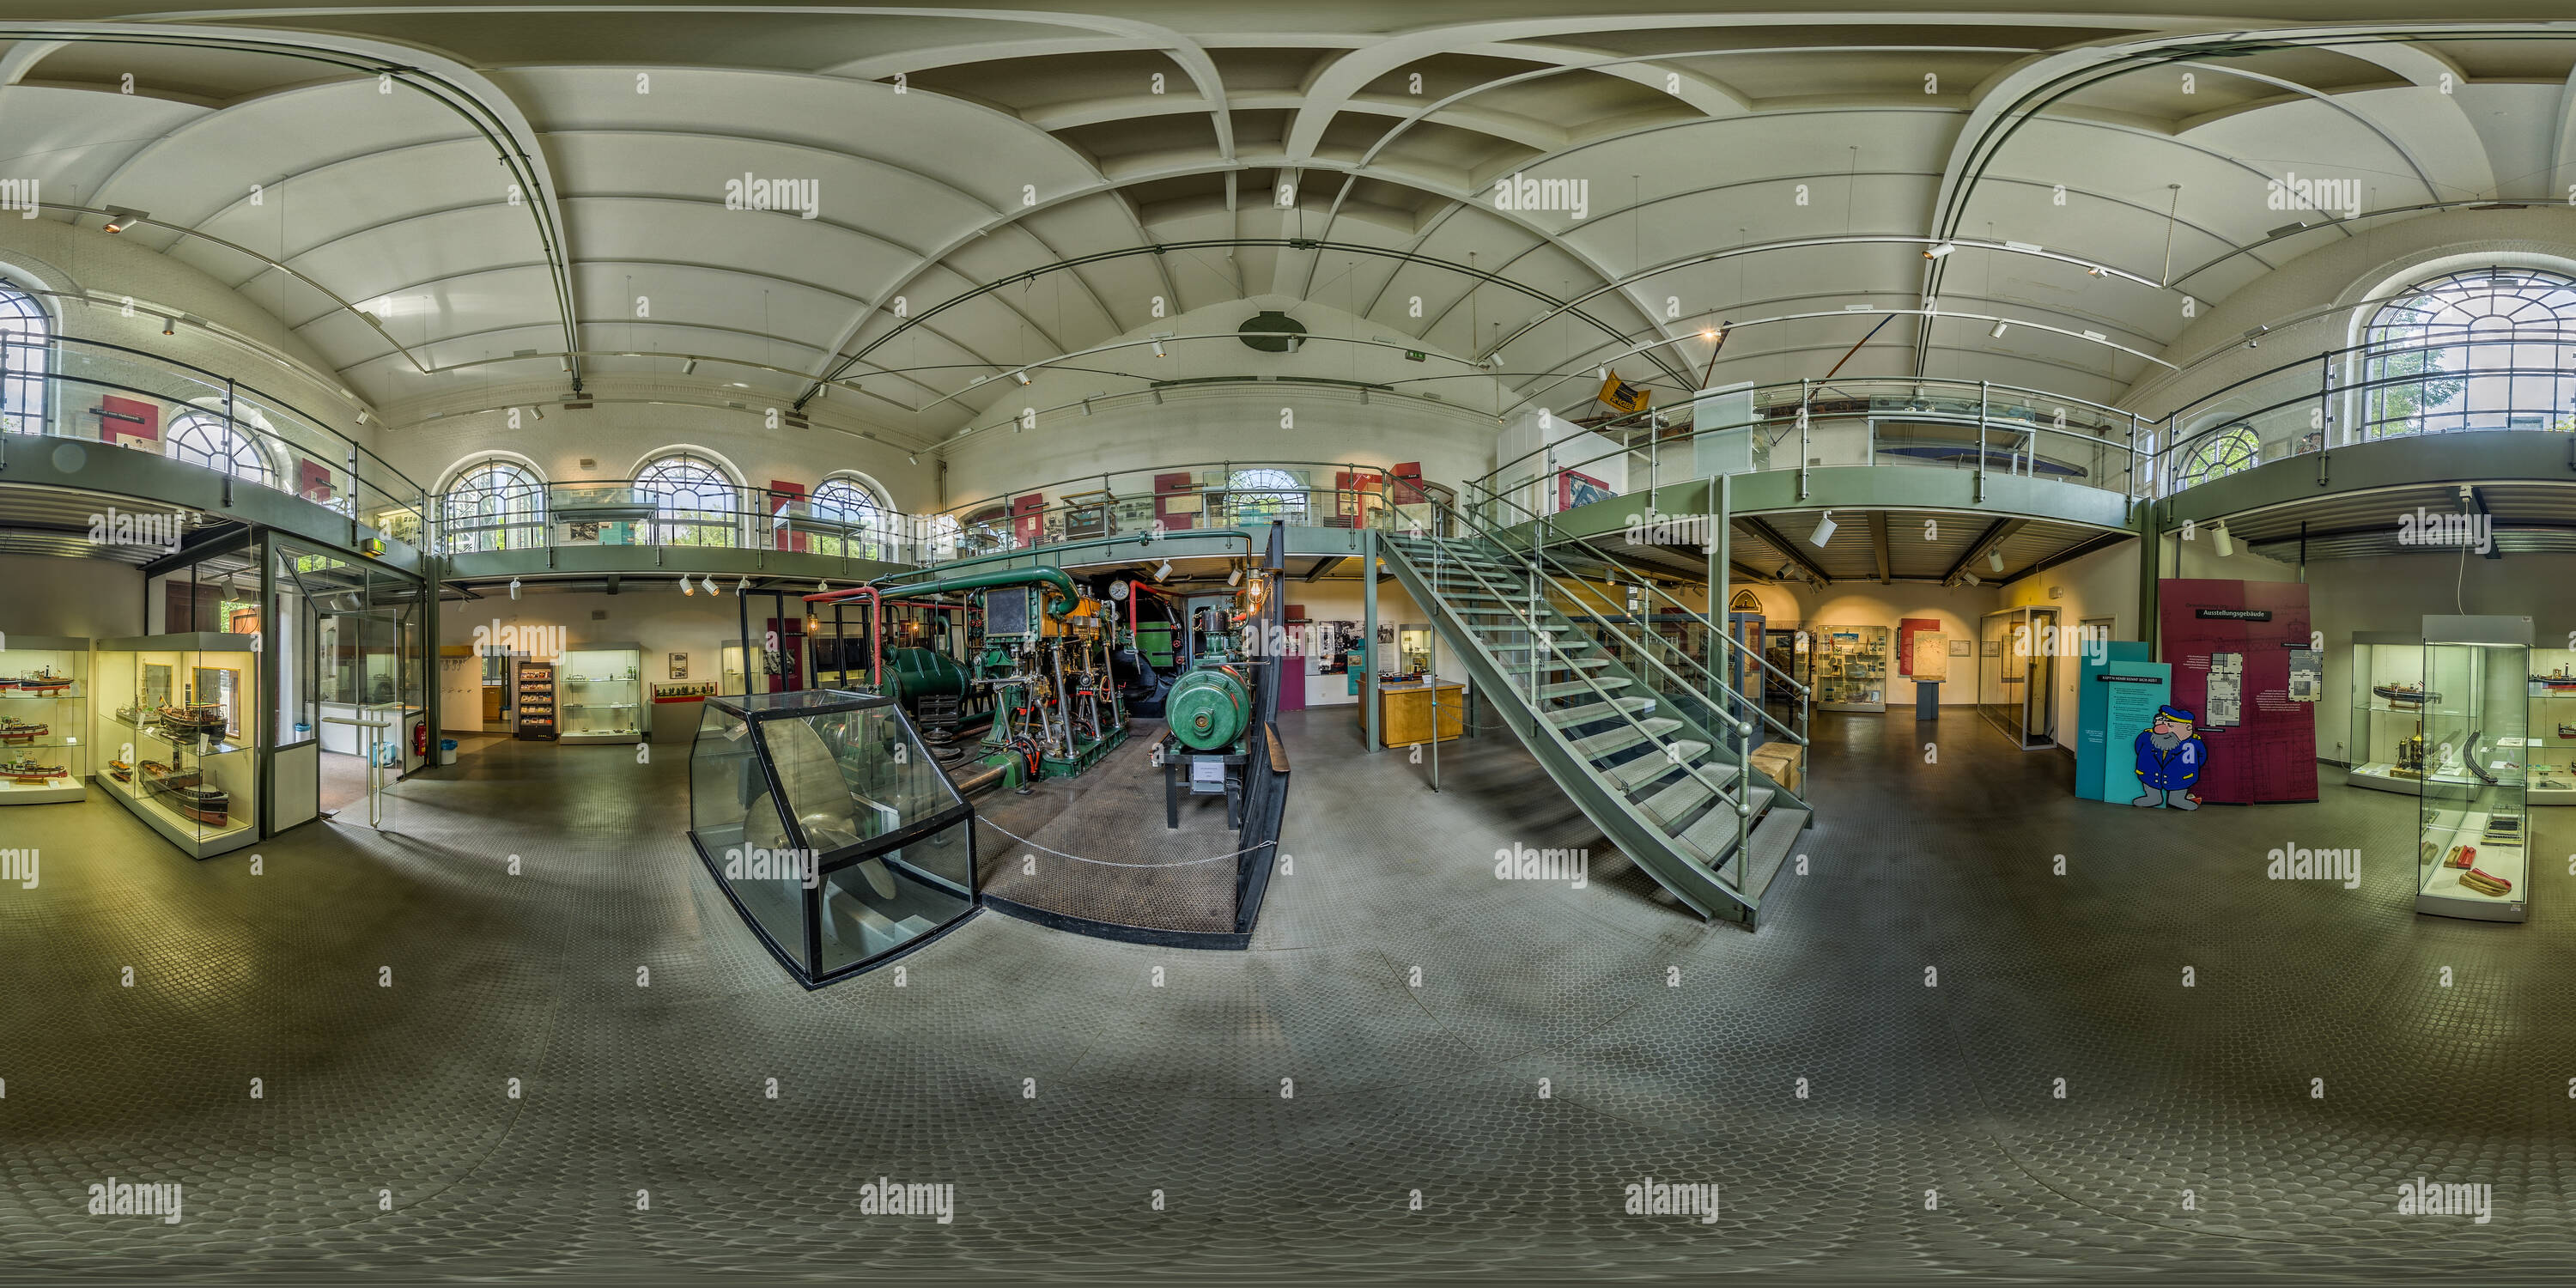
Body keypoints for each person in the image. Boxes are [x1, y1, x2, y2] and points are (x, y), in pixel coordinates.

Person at [2131, 704, 2206, 810]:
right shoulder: (2147, 737)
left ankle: (2176, 799)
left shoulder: (2193, 742)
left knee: (2178, 785)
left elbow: (2201, 756)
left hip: (2180, 776)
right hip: (2150, 774)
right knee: (2150, 782)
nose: (2163, 730)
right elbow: (2139, 747)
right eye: (2161, 723)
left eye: (2170, 726)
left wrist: (2191, 767)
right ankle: (2153, 797)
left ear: (2188, 728)